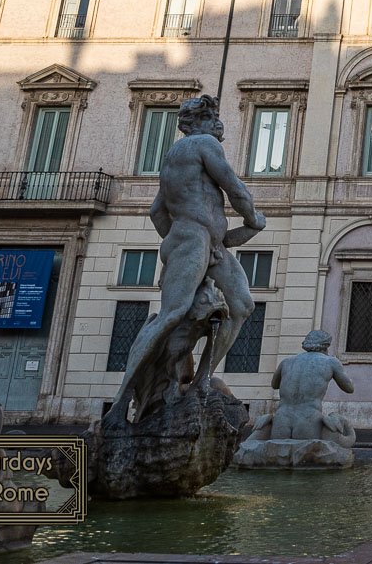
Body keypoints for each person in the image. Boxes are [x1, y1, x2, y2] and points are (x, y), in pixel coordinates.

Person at [106, 95, 265, 423]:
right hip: (194, 239)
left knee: (242, 305)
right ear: (198, 124)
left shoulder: (173, 157)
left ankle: (202, 381)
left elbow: (156, 211)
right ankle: (121, 403)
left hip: (205, 243)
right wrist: (251, 219)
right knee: (171, 314)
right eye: (212, 117)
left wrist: (184, 241)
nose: (218, 124)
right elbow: (234, 188)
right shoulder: (203, 144)